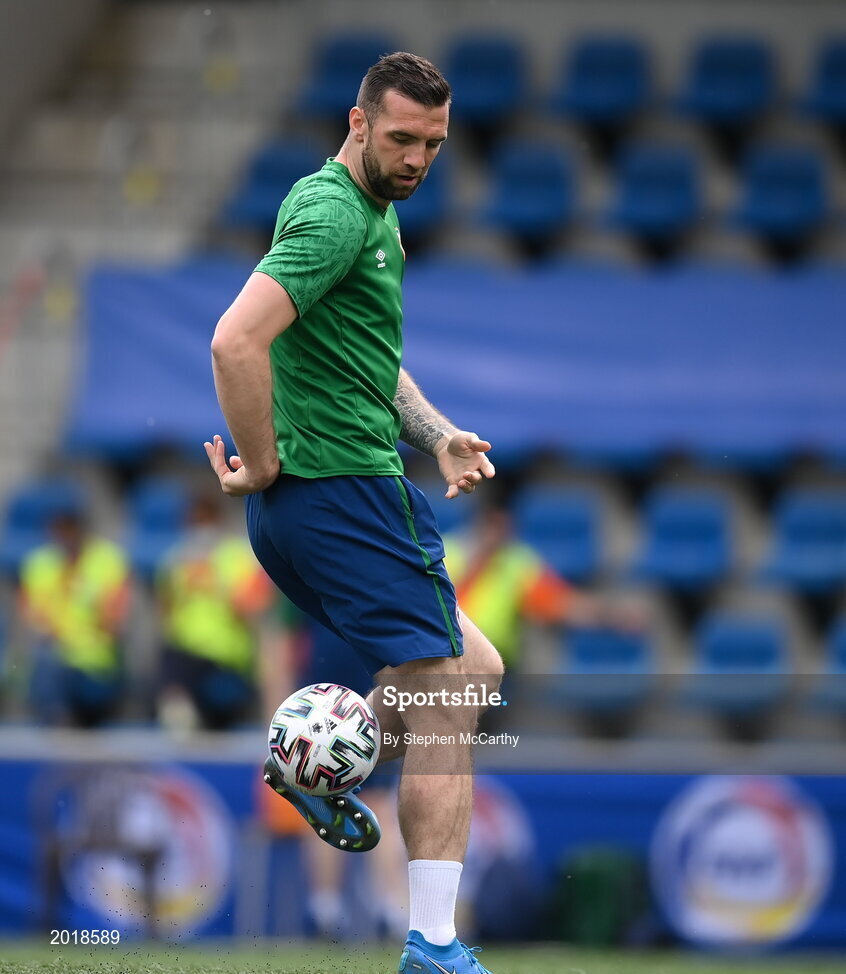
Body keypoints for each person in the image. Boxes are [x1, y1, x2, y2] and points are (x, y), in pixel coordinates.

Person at [205, 52, 503, 974]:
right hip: (342, 495)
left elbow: (362, 355)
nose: (418, 159)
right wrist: (259, 460)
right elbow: (234, 340)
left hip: (332, 498)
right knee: (449, 693)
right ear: (360, 122)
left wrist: (437, 432)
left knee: (475, 668)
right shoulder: (338, 213)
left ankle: (319, 760)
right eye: (403, 138)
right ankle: (433, 945)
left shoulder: (370, 214)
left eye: (434, 145)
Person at [156, 491, 273, 730]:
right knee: (170, 657)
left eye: (205, 520)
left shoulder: (238, 557)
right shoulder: (176, 562)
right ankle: (179, 716)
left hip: (227, 657)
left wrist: (216, 583)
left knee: (182, 668)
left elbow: (254, 607)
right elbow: (166, 610)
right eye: (195, 521)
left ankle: (181, 715)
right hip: (185, 652)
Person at [20, 507, 130, 727]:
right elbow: (36, 620)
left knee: (50, 668)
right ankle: (59, 721)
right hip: (56, 657)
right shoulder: (40, 564)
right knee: (44, 663)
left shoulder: (107, 561)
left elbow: (113, 624)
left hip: (95, 661)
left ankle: (60, 723)